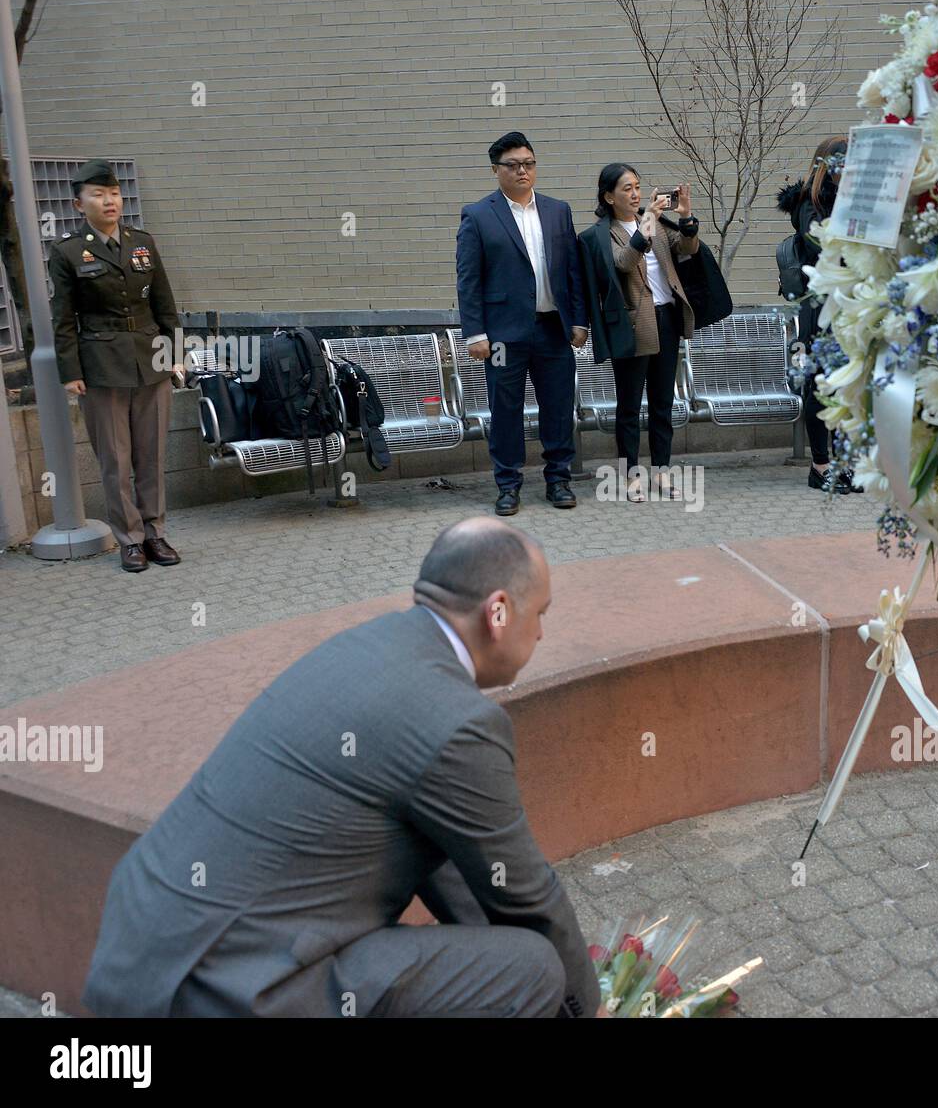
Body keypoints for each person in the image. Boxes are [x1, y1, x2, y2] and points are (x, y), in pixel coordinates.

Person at [82, 517, 600, 1018]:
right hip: (233, 989)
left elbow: (449, 856)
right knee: (531, 972)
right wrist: (586, 1007)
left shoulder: (370, 647)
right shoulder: (458, 721)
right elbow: (527, 895)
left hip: (141, 953)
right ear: (500, 613)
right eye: (541, 614)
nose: (541, 635)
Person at [51, 158, 183, 572]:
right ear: (79, 204)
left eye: (113, 194)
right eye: (98, 194)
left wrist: (176, 354)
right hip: (101, 368)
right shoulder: (68, 252)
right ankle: (129, 539)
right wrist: (70, 372)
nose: (109, 201)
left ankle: (155, 533)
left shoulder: (142, 242)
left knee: (151, 456)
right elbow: (63, 318)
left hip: (151, 362)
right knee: (115, 460)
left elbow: (165, 305)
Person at [455, 132, 589, 516]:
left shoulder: (557, 210)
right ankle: (508, 485)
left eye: (528, 164)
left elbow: (572, 272)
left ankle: (559, 479)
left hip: (552, 329)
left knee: (558, 407)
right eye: (512, 165)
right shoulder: (478, 215)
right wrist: (475, 334)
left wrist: (578, 320)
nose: (522, 171)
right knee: (506, 409)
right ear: (496, 170)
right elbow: (468, 279)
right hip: (501, 337)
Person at [579, 164, 698, 501]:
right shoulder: (603, 233)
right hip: (632, 325)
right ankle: (631, 476)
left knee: (663, 403)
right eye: (627, 188)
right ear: (608, 196)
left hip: (667, 319)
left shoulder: (658, 225)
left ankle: (662, 472)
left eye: (637, 187)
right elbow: (623, 262)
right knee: (630, 406)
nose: (635, 194)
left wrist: (687, 218)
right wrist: (645, 225)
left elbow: (687, 248)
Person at [777, 137, 861, 494]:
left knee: (847, 384)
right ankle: (820, 465)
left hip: (853, 302)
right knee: (820, 383)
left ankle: (844, 464)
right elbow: (823, 247)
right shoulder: (809, 205)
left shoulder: (853, 199)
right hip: (822, 306)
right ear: (829, 166)